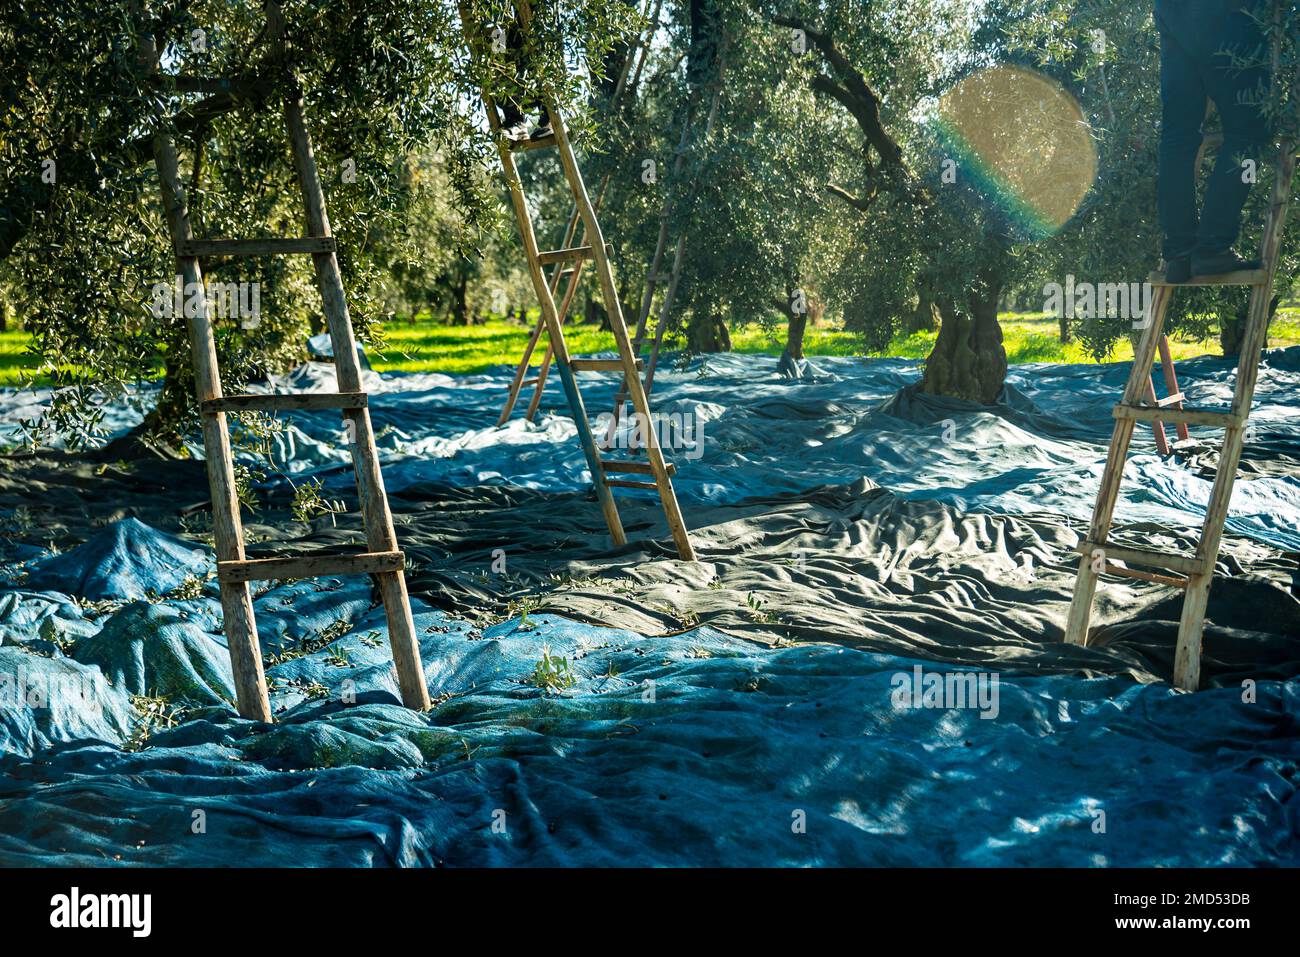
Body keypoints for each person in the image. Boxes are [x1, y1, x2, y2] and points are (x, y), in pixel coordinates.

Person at [1155, 0, 1272, 281]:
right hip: (1222, 10)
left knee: (1178, 137)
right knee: (1250, 134)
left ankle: (1180, 252)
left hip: (1171, 11)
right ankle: (1212, 246)